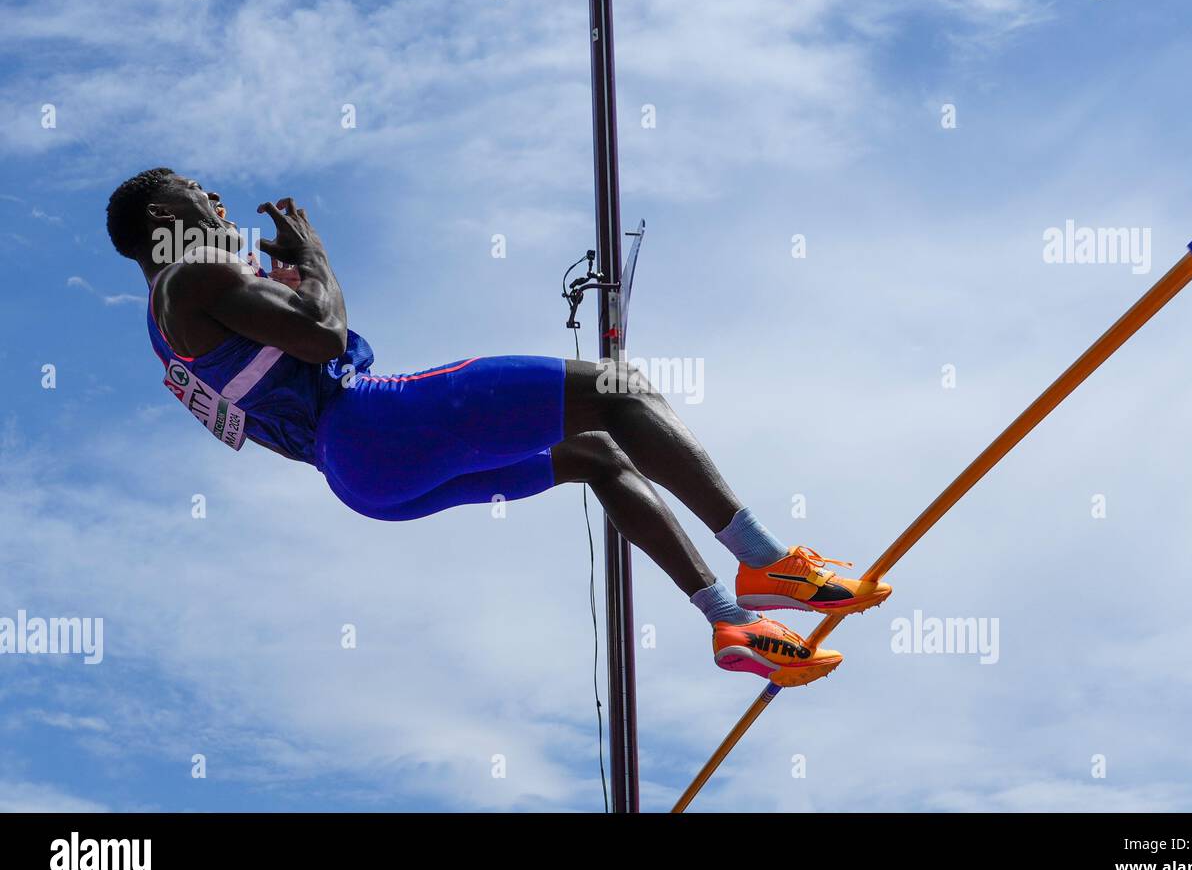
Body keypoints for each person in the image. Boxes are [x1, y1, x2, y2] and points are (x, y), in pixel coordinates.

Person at [106, 168, 891, 686]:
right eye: (201, 193)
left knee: (600, 456)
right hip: (367, 425)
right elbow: (326, 336)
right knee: (620, 390)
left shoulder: (163, 332)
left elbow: (279, 382)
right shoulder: (194, 273)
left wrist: (293, 297)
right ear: (161, 217)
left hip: (361, 479)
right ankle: (766, 561)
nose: (217, 204)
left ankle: (733, 624)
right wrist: (314, 257)